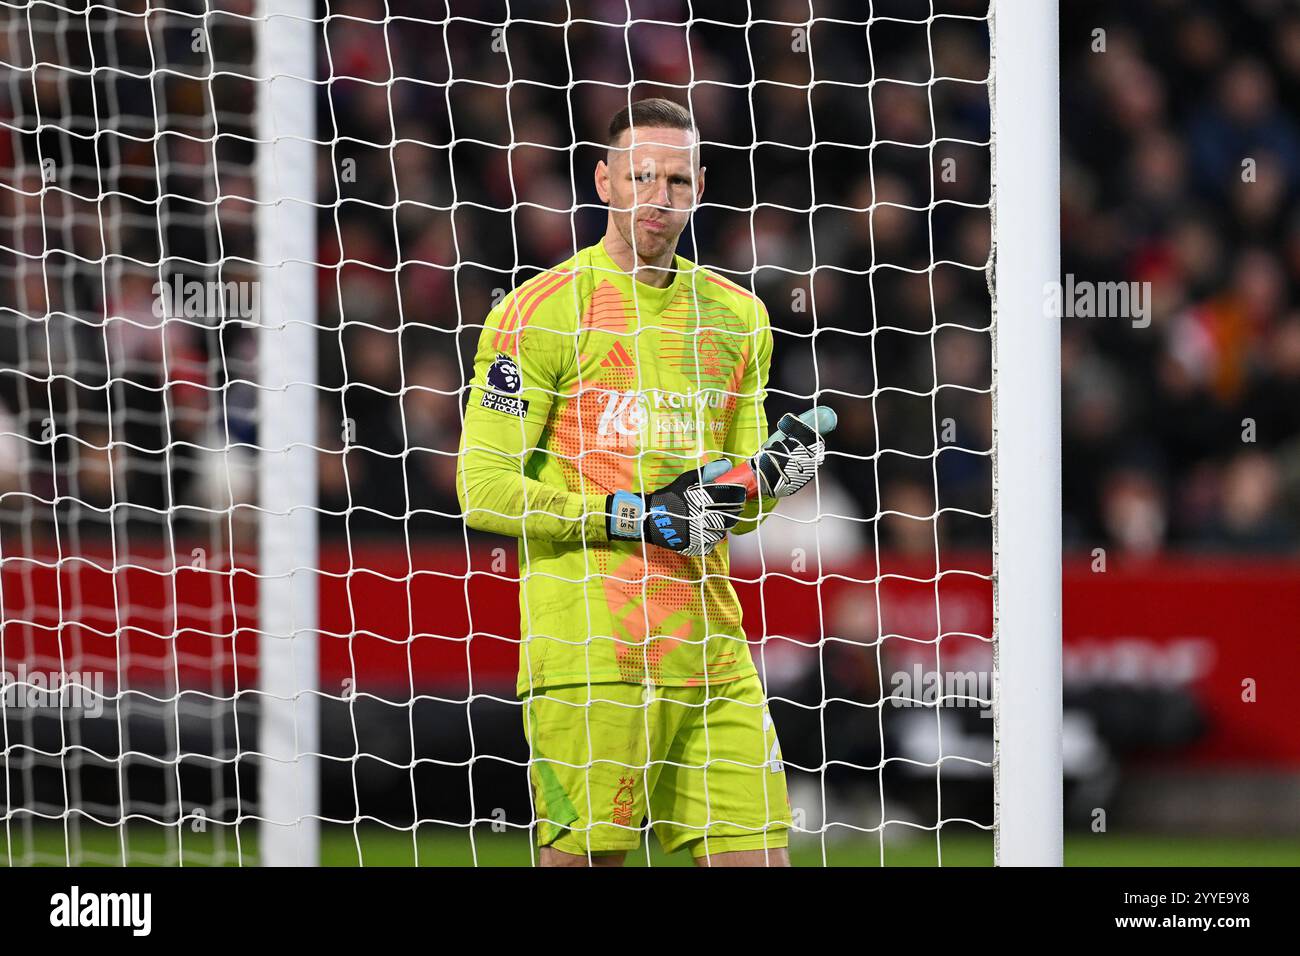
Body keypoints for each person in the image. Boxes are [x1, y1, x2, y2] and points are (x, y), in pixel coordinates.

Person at [456, 98, 827, 866]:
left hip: (711, 645)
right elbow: (483, 489)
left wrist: (772, 480)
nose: (659, 197)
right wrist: (629, 516)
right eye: (641, 176)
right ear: (604, 181)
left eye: (678, 180)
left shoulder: (738, 317)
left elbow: (723, 513)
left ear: (700, 188)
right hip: (591, 650)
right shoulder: (540, 313)